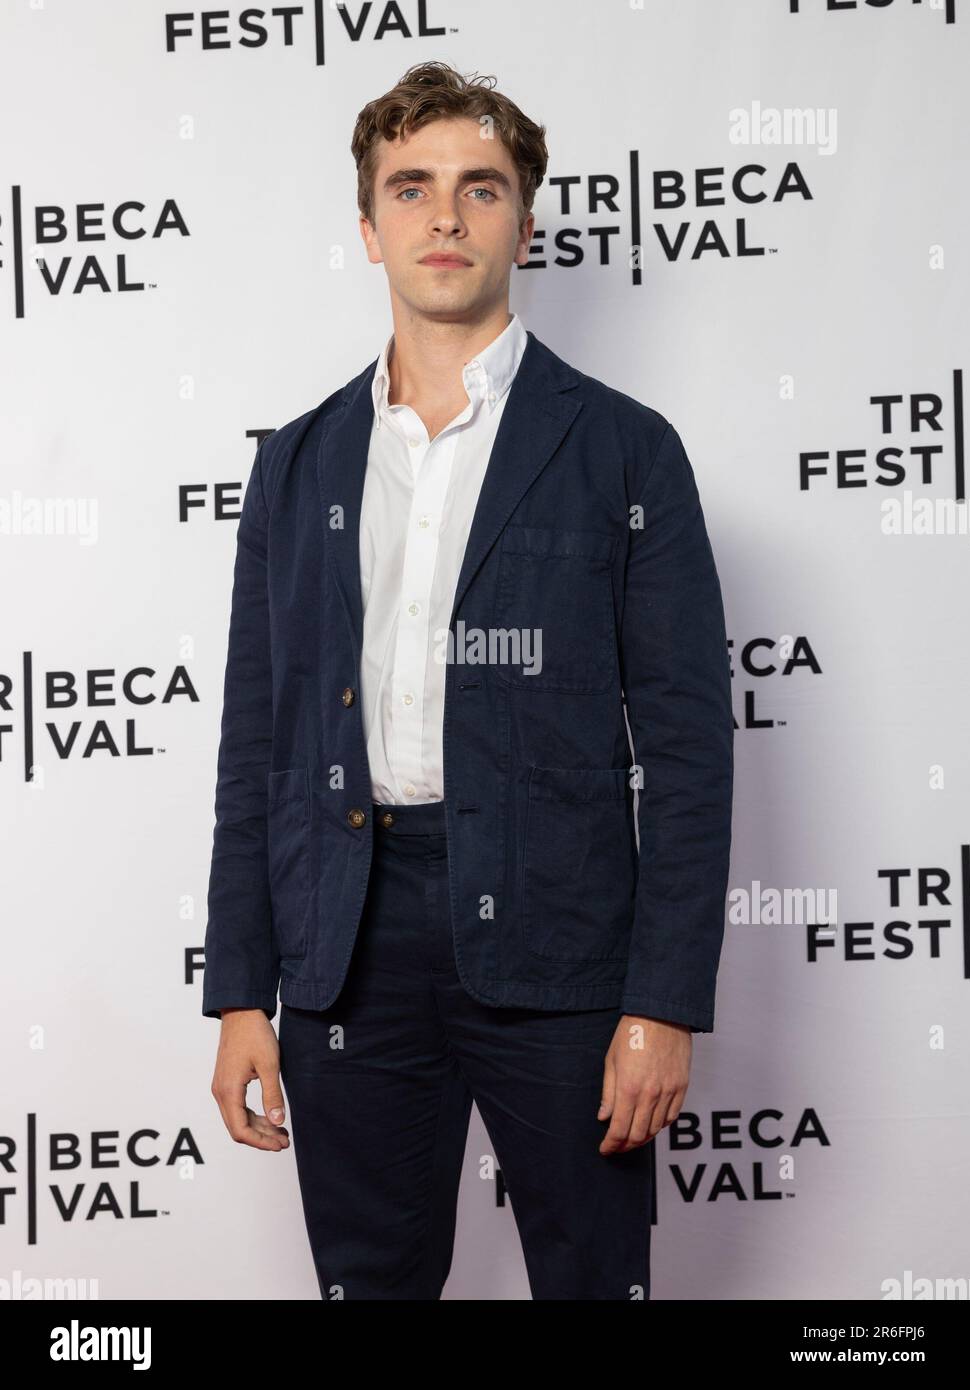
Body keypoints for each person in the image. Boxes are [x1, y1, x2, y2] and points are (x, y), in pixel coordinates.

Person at [204, 59, 734, 1301]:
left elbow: (691, 748)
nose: (445, 216)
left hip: (561, 939)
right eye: (413, 188)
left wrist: (664, 1001)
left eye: (479, 188)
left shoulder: (623, 447)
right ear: (369, 226)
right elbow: (257, 747)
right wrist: (241, 992)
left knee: (592, 1281)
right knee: (370, 1283)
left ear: (524, 221)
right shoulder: (294, 464)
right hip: (349, 935)